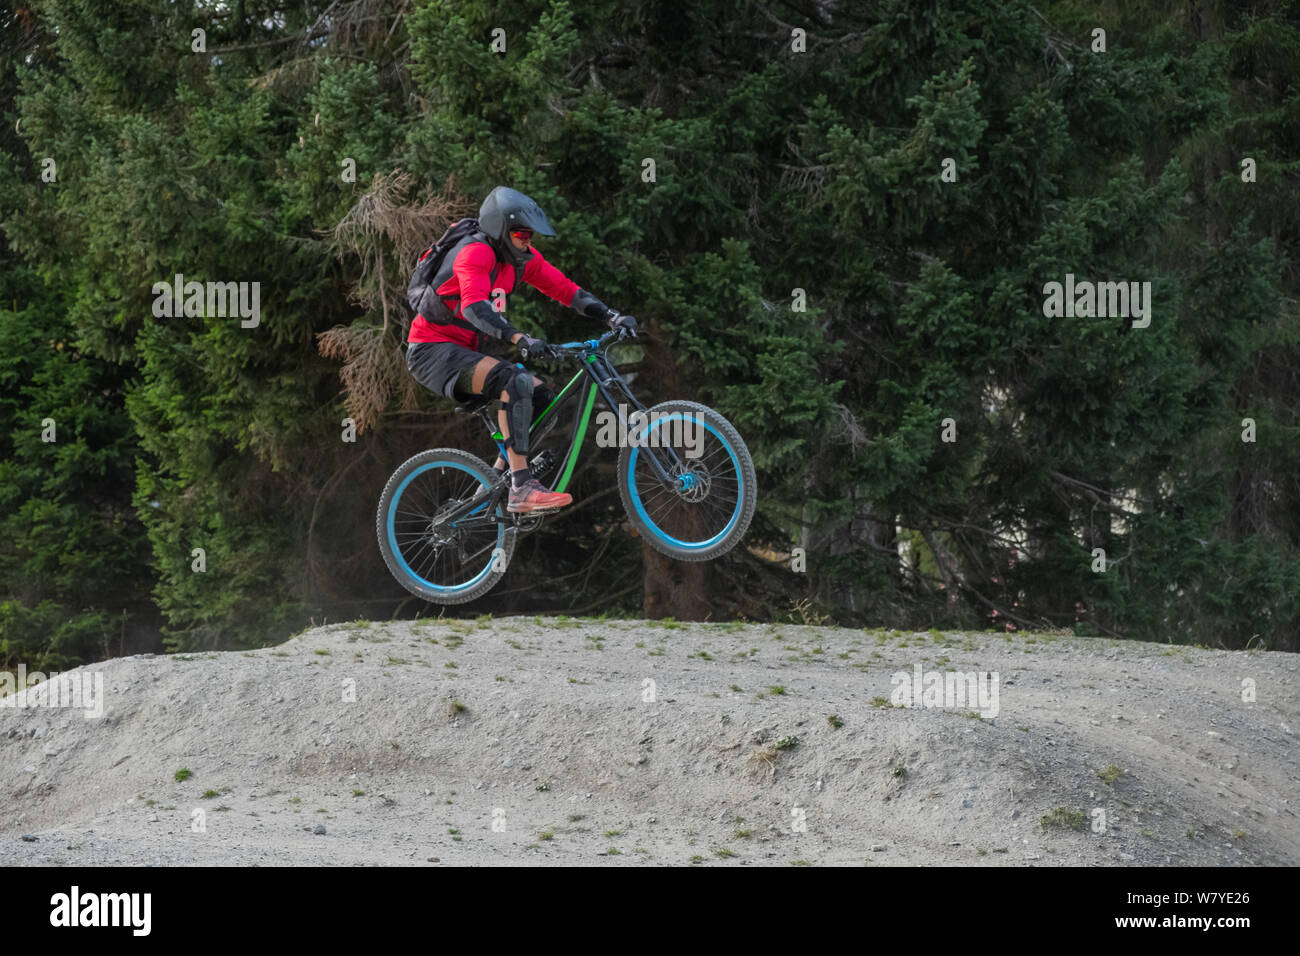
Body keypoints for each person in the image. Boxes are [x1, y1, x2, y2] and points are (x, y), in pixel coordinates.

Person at [406, 186, 637, 514]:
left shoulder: (519, 260)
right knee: (515, 381)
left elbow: (567, 290)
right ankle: (521, 486)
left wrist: (612, 317)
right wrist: (520, 339)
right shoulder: (475, 252)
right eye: (520, 233)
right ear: (499, 230)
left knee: (543, 399)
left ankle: (499, 479)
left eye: (530, 234)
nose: (528, 240)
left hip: (465, 351)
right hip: (432, 351)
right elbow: (474, 307)